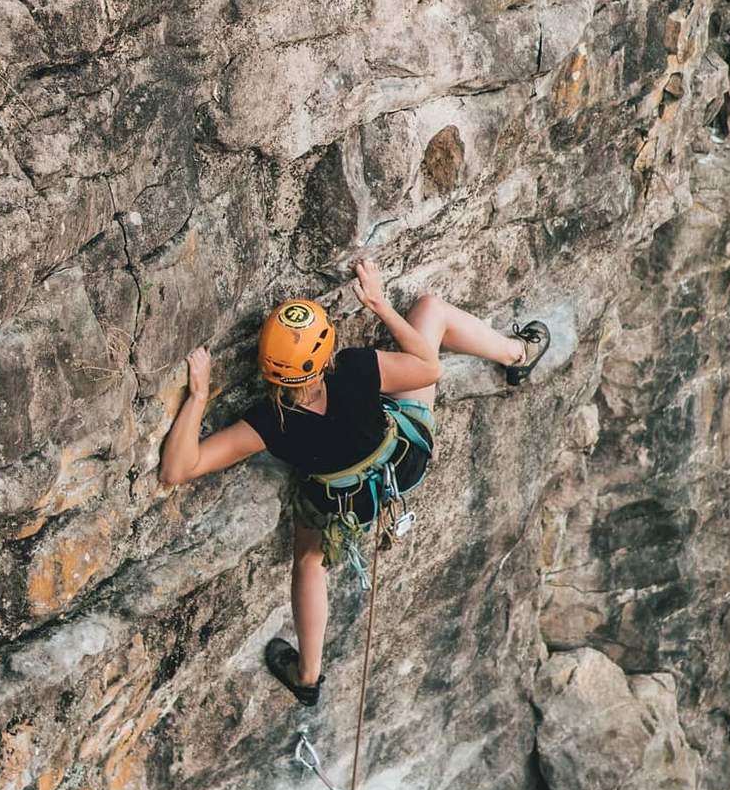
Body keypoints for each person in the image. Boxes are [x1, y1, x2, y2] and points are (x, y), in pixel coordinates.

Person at [158, 260, 550, 706]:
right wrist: (380, 304)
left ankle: (308, 675)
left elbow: (177, 470)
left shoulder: (269, 423)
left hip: (347, 507)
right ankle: (517, 354)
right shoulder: (354, 369)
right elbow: (428, 368)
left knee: (309, 560)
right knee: (430, 309)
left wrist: (199, 396)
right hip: (403, 465)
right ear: (325, 354)